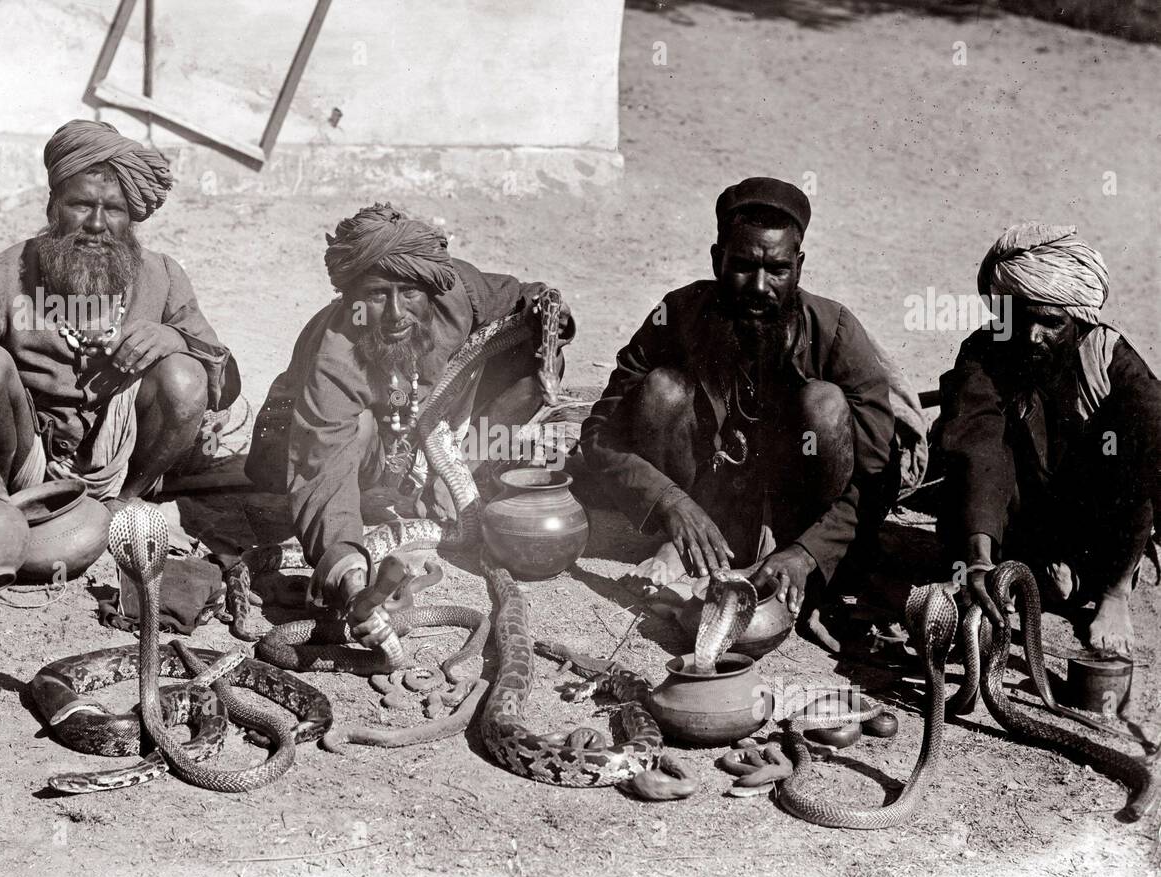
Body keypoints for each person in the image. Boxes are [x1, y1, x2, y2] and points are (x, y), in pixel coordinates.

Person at [576, 177, 895, 641]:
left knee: (824, 405)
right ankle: (685, 543)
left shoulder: (836, 330)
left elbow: (877, 474)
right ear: (716, 259)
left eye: (778, 269)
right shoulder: (677, 313)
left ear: (799, 266)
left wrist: (808, 552)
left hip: (797, 514)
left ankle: (794, 570)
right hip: (706, 502)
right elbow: (599, 432)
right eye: (743, 266)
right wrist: (670, 502)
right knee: (663, 388)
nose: (760, 287)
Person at [247, 203, 571, 646]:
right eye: (378, 295)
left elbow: (529, 299)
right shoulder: (338, 352)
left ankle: (457, 474)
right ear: (354, 298)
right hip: (298, 445)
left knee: (536, 358)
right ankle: (384, 495)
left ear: (431, 289)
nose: (397, 313)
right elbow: (321, 465)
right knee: (357, 429)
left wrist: (553, 320)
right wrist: (348, 571)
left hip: (404, 429)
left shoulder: (457, 290)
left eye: (409, 294)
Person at [0, 119, 239, 514]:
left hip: (119, 459)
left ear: (131, 215)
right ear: (53, 207)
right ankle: (0, 503)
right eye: (81, 205)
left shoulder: (161, 275)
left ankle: (127, 505)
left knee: (185, 374)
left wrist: (178, 340)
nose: (96, 224)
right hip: (26, 459)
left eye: (113, 209)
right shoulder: (7, 275)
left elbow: (225, 387)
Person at [938, 222, 1159, 655]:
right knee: (969, 445)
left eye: (1050, 323)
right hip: (1020, 512)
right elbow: (979, 446)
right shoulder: (988, 348)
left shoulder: (1109, 359)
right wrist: (980, 559)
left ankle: (1113, 592)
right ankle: (1034, 571)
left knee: (1139, 442)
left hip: (1093, 513)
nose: (1031, 336)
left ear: (1078, 321)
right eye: (1020, 319)